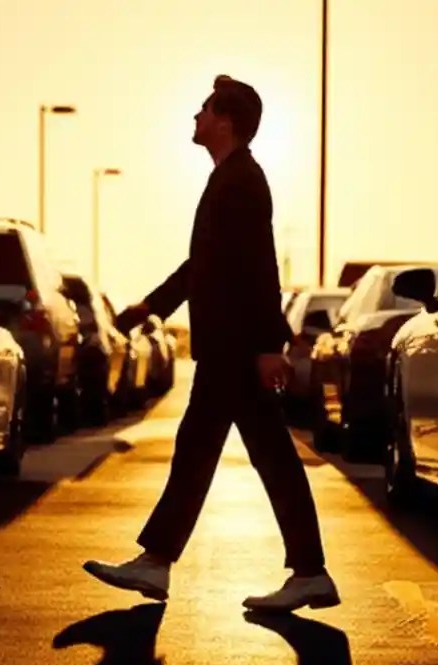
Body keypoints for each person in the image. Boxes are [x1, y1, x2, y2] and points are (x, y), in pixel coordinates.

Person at [83, 74, 339, 614]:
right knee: (228, 452)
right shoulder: (229, 179)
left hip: (237, 350)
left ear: (225, 121)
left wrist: (270, 344)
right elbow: (202, 267)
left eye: (203, 110)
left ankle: (164, 562)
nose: (194, 118)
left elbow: (258, 267)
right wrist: (149, 308)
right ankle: (301, 571)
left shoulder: (242, 182)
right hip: (230, 348)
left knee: (223, 452)